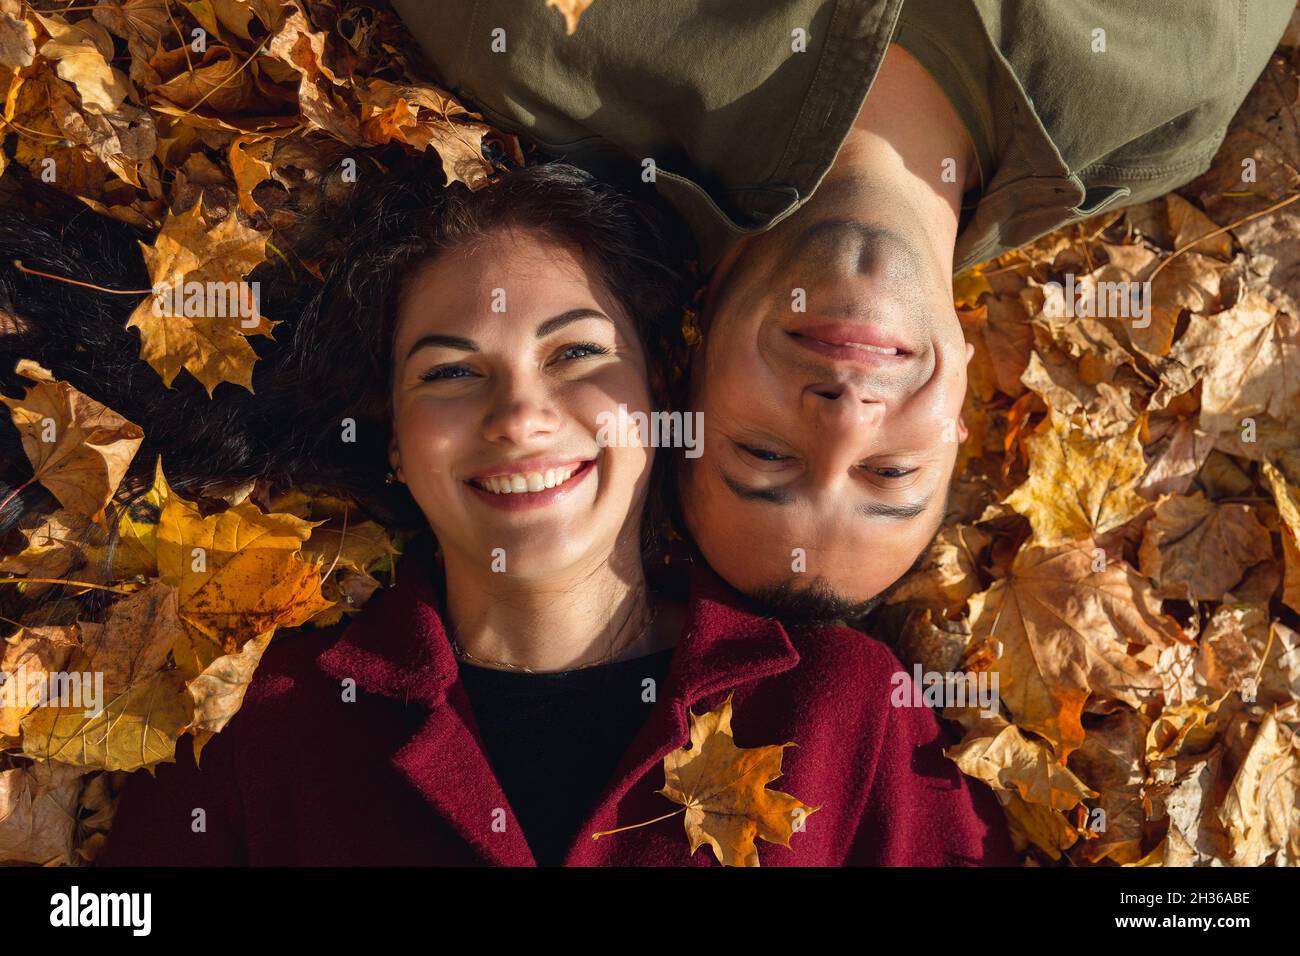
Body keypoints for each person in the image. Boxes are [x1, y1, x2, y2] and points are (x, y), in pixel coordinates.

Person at [0, 163, 1018, 865]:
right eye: (450, 371)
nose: (522, 414)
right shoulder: (275, 728)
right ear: (395, 437)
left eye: (575, 353)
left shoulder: (840, 709)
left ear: (658, 393)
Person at [389, 0, 1297, 615]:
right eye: (892, 476)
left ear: (685, 368)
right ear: (965, 412)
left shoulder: (547, 53)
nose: (845, 419)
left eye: (763, 452)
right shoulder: (1166, 111)